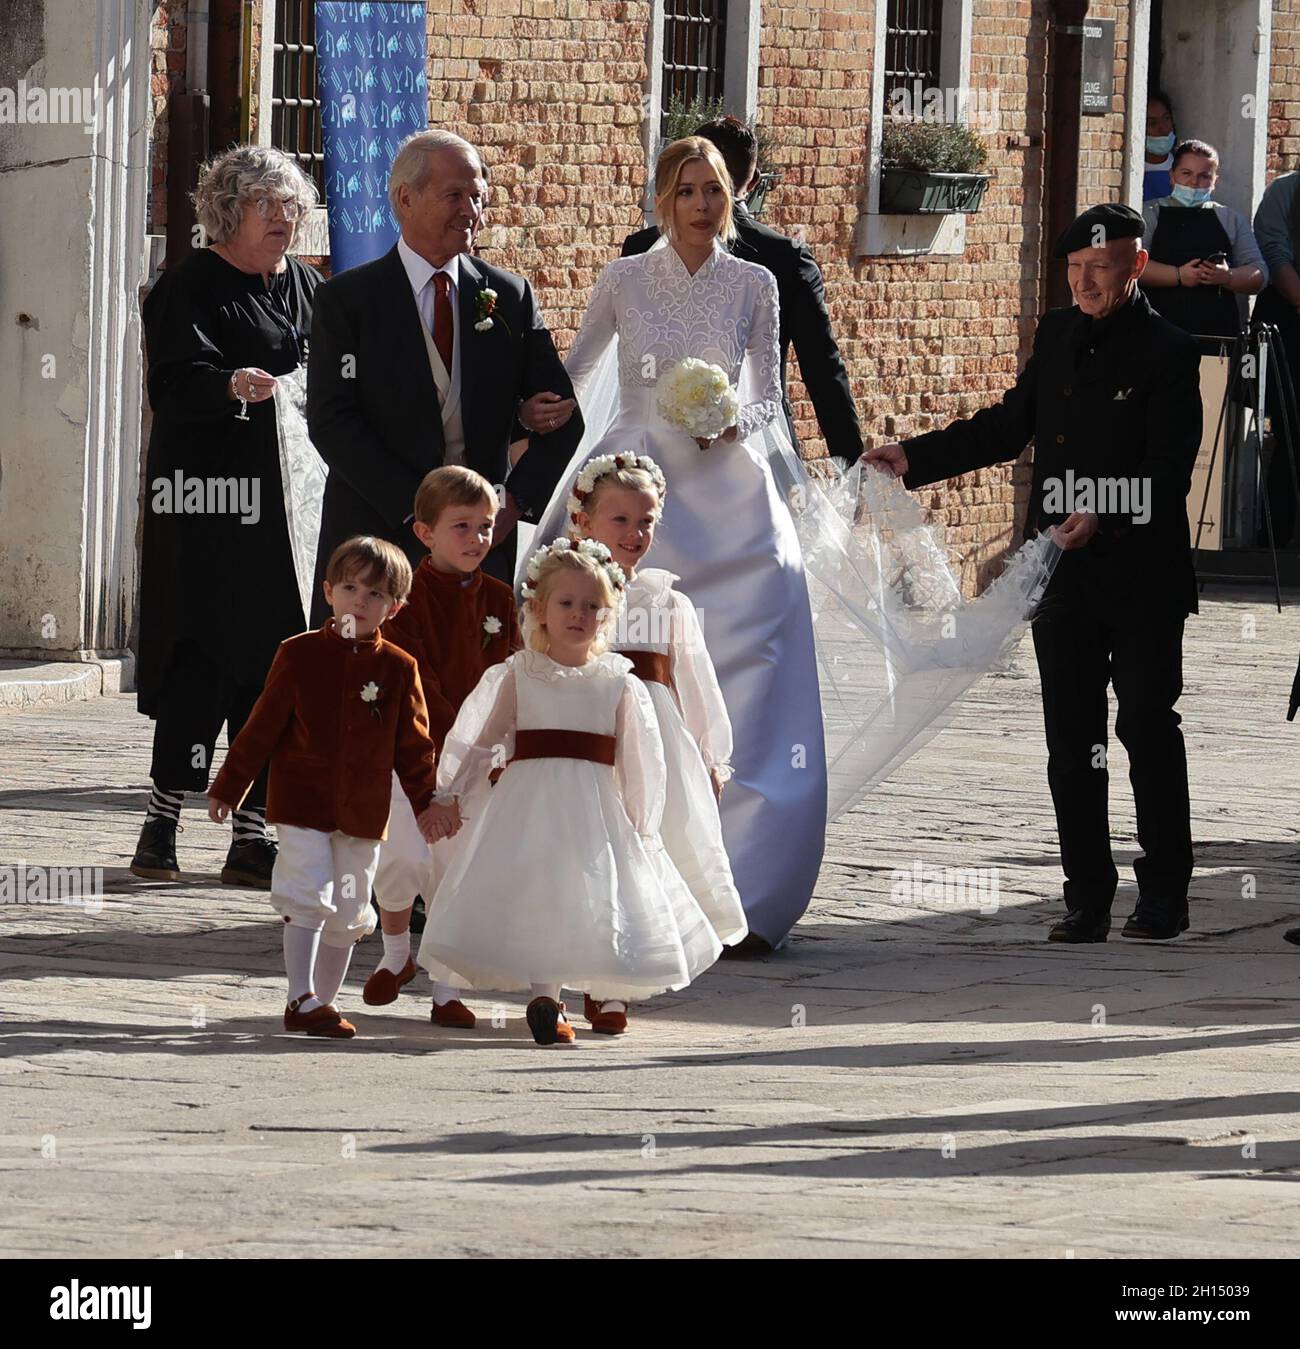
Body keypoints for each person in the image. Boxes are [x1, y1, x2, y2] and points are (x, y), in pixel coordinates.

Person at [868, 204, 1203, 944]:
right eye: (1075, 272)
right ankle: (1086, 893)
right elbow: (1008, 423)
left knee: (1146, 724)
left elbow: (1166, 471)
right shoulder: (1056, 335)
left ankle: (1164, 893)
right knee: (1072, 739)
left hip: (1140, 574)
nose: (1084, 284)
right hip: (1060, 573)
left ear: (1135, 266)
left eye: (1100, 270)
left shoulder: (1170, 350)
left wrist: (1103, 517)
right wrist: (914, 458)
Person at [542, 137, 828, 955]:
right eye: (688, 190)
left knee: (749, 673)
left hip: (728, 484)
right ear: (663, 199)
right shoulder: (624, 278)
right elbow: (575, 367)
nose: (703, 204)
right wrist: (532, 419)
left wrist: (738, 418)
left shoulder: (756, 283)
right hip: (634, 477)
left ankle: (749, 882)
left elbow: (771, 397)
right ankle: (614, 878)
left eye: (715, 190)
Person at [416, 540, 722, 1045]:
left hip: (594, 805)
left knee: (587, 893)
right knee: (540, 891)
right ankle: (547, 999)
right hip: (528, 803)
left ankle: (592, 993)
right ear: (538, 608)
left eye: (592, 606)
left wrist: (643, 821)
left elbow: (643, 757)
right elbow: (483, 739)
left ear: (608, 615)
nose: (579, 614)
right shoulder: (521, 673)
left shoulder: (619, 681)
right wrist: (449, 793)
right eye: (566, 603)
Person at [132, 145, 323, 891]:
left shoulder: (306, 286)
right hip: (204, 501)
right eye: (268, 205)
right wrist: (228, 386)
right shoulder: (190, 287)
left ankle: (252, 835)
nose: (284, 219)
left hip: (283, 507)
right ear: (228, 210)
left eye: (292, 207)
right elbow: (174, 384)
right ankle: (162, 821)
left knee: (272, 657)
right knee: (198, 652)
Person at [306, 130, 583, 597]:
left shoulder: (509, 296)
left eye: (478, 197)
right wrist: (420, 512)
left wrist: (510, 505)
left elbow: (563, 415)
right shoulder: (347, 301)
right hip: (378, 540)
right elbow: (333, 422)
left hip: (481, 548)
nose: (470, 211)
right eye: (454, 195)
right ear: (405, 199)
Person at [207, 537, 460, 1038]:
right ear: (328, 591)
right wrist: (229, 786)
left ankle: (321, 1003)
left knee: (348, 907)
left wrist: (426, 803)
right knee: (306, 889)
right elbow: (262, 726)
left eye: (376, 594)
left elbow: (415, 748)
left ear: (395, 607)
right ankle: (298, 996)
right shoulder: (298, 654)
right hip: (302, 803)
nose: (360, 602)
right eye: (350, 588)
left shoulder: (398, 668)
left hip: (364, 814)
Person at [568, 451, 748, 1030]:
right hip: (588, 738)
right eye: (619, 520)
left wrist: (710, 755)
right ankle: (586, 968)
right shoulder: (562, 588)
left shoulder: (667, 601)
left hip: (658, 744)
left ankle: (615, 985)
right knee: (593, 853)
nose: (634, 534)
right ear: (584, 521)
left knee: (645, 852)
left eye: (646, 521)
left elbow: (696, 682)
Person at [362, 466, 521, 1027]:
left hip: (477, 766)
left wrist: (486, 753)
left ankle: (447, 992)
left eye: (485, 527)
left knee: (455, 874)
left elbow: (512, 679)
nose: (477, 539)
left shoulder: (502, 599)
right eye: (462, 526)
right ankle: (397, 954)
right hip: (415, 761)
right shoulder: (404, 606)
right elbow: (417, 685)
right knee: (403, 856)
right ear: (425, 532)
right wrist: (437, 781)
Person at [623, 116, 863, 467]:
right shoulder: (787, 258)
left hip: (651, 448)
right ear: (754, 180)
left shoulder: (639, 247)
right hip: (756, 447)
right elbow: (822, 369)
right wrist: (853, 463)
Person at [1140, 139, 1266, 339]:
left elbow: (1259, 274)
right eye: (1186, 173)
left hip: (1216, 333)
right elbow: (1132, 266)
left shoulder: (1230, 219)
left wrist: (1227, 277)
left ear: (1215, 180)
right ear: (1172, 176)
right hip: (1156, 330)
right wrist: (1179, 275)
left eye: (1204, 176)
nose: (1193, 182)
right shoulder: (1148, 214)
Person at [1251, 167, 1300, 545]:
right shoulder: (1286, 191)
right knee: (1291, 430)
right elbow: (1274, 251)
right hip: (1289, 326)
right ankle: (1279, 540)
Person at [1143, 92, 1178, 202]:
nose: (1163, 128)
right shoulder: (1128, 171)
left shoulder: (1183, 168)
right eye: (1152, 124)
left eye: (1166, 119)